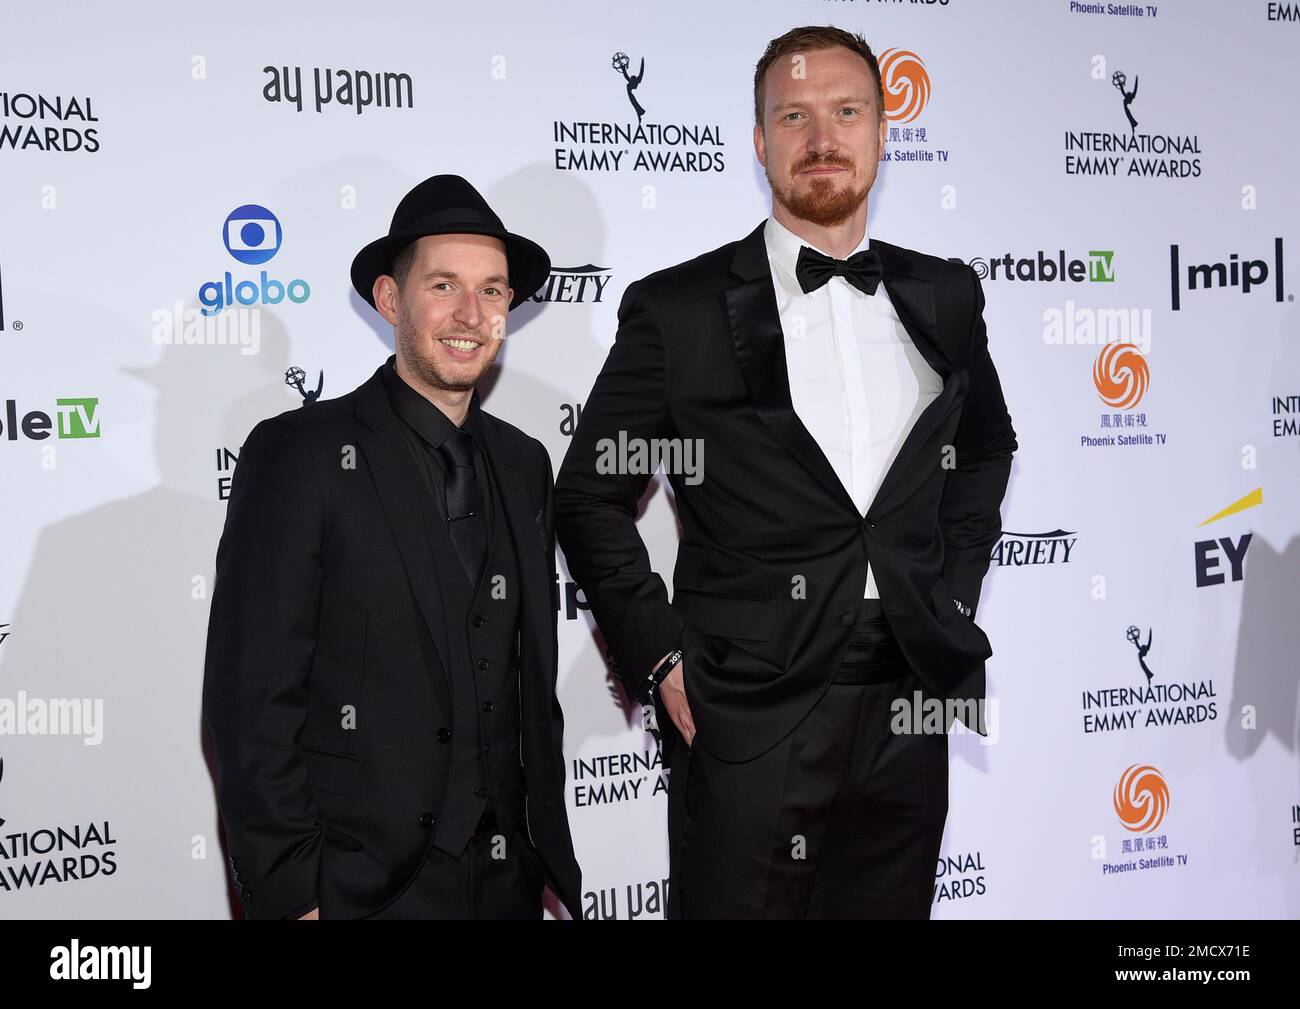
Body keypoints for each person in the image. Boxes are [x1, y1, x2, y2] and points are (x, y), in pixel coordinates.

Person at [555, 26, 1017, 919]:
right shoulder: (679, 308)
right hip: (748, 710)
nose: (822, 138)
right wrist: (659, 659)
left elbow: (986, 448)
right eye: (793, 116)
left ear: (884, 135)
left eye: (847, 112)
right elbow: (589, 492)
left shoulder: (947, 295)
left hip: (908, 699)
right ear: (760, 142)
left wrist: (952, 593)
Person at [202, 175, 581, 920]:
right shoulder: (300, 454)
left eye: (493, 291)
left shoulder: (524, 462)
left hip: (509, 883)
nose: (471, 314)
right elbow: (250, 702)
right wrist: (296, 895)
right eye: (444, 285)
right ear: (389, 299)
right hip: (360, 890)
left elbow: (521, 674)